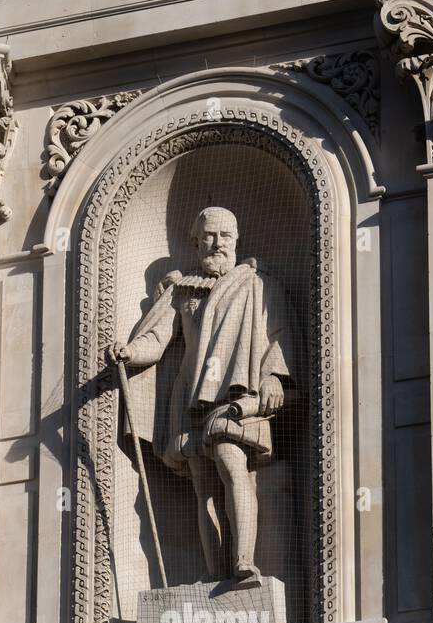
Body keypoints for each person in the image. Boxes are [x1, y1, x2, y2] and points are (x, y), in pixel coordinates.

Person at [108, 206, 297, 585]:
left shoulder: (258, 284)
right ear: (195, 242)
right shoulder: (183, 290)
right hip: (191, 398)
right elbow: (157, 339)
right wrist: (128, 352)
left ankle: (244, 562)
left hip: (237, 393)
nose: (217, 243)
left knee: (231, 463)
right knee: (204, 490)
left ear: (237, 240)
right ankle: (216, 576)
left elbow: (278, 335)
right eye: (209, 236)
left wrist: (274, 377)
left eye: (225, 236)